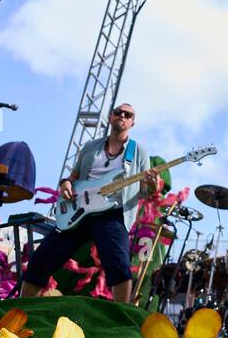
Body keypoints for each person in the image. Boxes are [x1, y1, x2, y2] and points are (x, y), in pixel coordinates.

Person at [21, 103, 160, 302]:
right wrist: (65, 183)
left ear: (132, 122)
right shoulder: (90, 147)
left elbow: (145, 192)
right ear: (111, 117)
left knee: (119, 266)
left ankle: (121, 320)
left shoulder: (138, 152)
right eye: (118, 112)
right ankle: (20, 308)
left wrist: (152, 186)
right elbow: (74, 175)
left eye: (127, 114)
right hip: (79, 211)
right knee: (40, 260)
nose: (121, 115)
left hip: (112, 212)